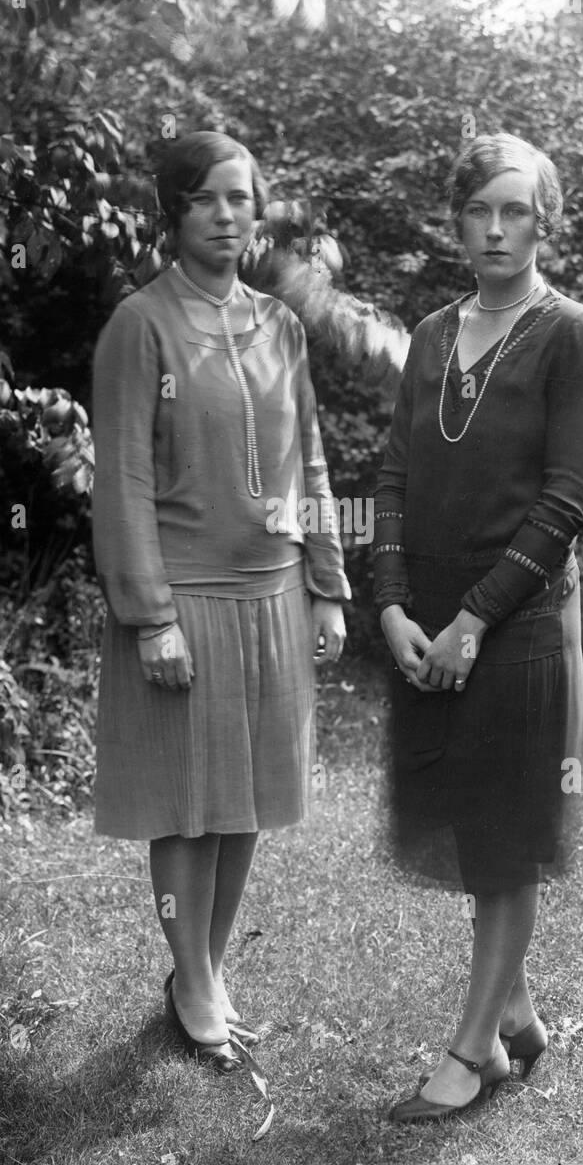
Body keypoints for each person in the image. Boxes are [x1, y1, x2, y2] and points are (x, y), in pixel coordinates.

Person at [91, 131, 349, 1072]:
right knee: (185, 806)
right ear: (174, 212)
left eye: (243, 198)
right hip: (184, 600)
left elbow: (308, 458)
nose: (231, 215)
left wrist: (327, 584)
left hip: (273, 595)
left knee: (243, 803)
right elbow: (119, 480)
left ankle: (205, 966)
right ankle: (190, 975)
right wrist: (149, 615)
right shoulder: (140, 326)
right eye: (208, 199)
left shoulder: (279, 325)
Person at [373, 132, 583, 1121]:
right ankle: (515, 1015)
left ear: (542, 221)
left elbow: (566, 502)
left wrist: (474, 619)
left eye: (518, 210)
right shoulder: (431, 334)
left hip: (513, 625)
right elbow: (391, 475)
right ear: (458, 221)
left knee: (507, 835)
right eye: (481, 210)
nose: (499, 228)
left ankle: (473, 1052)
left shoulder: (570, 333)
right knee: (474, 823)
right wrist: (388, 602)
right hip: (425, 618)